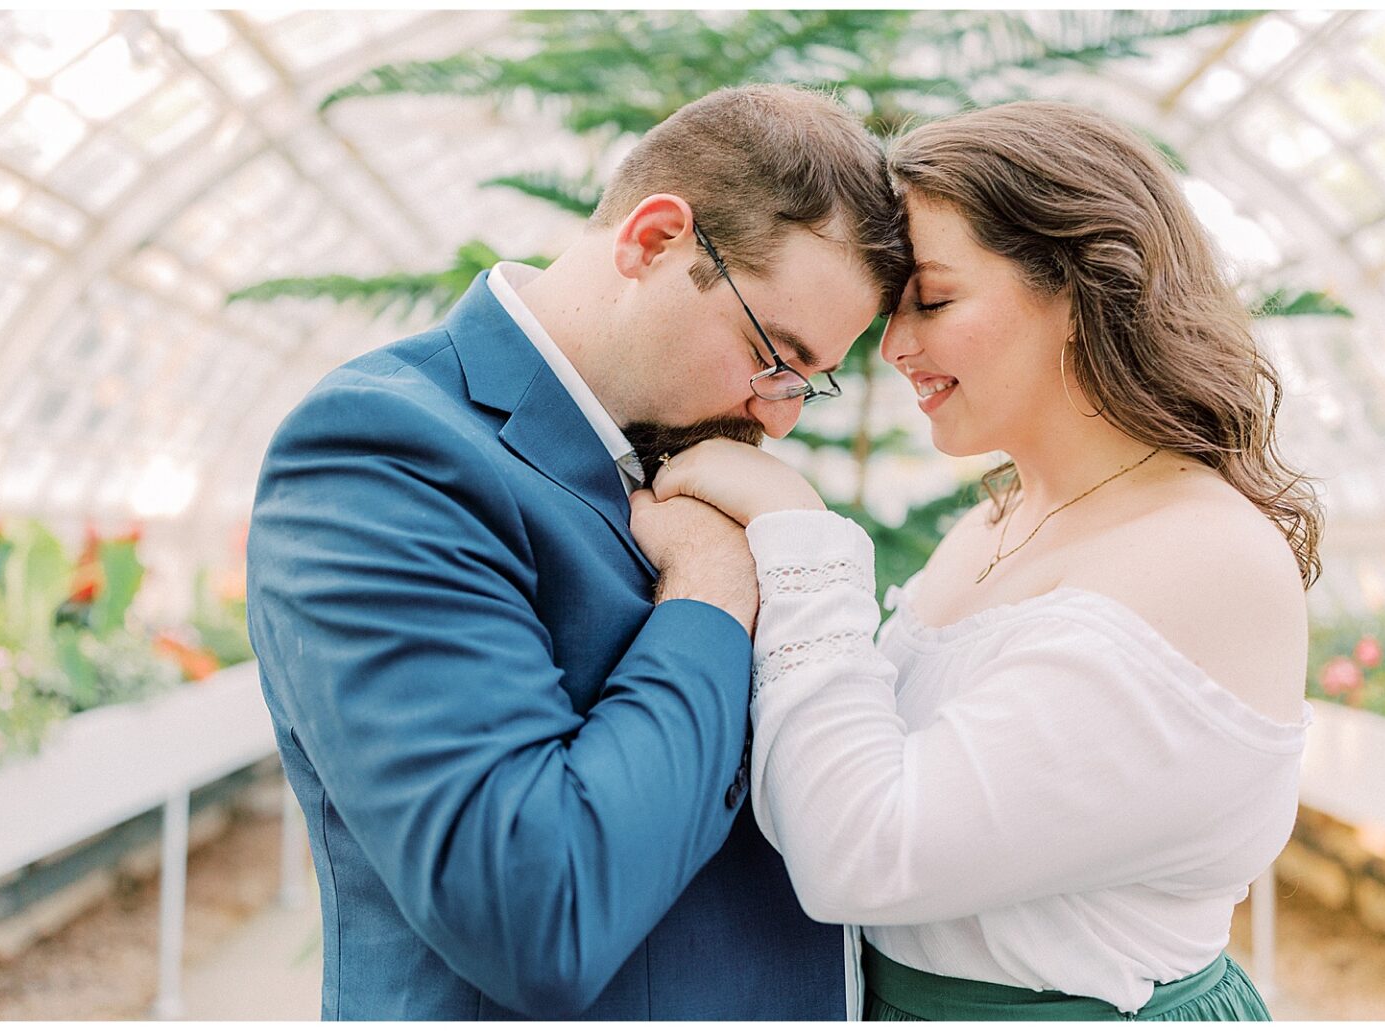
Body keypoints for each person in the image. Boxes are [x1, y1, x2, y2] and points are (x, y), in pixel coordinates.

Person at [636, 100, 1323, 1021]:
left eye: (935, 299)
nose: (894, 347)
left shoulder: (1204, 557)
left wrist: (798, 534)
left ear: (1082, 290)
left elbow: (866, 852)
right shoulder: (997, 517)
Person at [245, 83, 909, 1020]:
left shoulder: (688, 451)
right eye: (775, 353)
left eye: (811, 380)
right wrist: (713, 593)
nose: (781, 414)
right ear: (655, 240)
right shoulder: (384, 451)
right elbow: (538, 908)